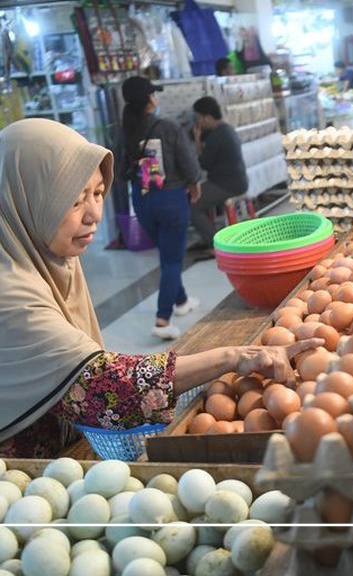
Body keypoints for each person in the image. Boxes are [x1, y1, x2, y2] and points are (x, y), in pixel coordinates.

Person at [0, 119, 323, 458]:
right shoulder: (10, 293)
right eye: (75, 200)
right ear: (24, 196)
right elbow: (100, 387)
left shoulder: (46, 253)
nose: (94, 214)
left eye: (97, 193)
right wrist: (233, 356)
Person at [121, 75, 202, 340]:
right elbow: (189, 165)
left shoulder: (126, 131)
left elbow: (120, 168)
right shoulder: (168, 127)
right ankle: (162, 319)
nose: (157, 98)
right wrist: (194, 183)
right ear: (148, 100)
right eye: (153, 94)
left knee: (167, 255)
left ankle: (181, 301)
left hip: (142, 200)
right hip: (171, 199)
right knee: (172, 259)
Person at [190, 96, 248, 256]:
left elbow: (203, 164)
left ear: (208, 117)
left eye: (199, 118)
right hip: (236, 181)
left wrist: (196, 140)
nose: (198, 122)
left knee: (192, 204)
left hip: (226, 185)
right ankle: (207, 236)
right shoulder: (227, 129)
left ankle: (214, 243)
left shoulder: (216, 136)